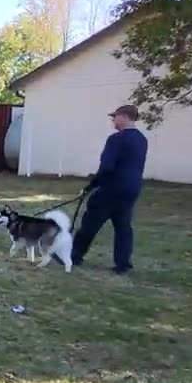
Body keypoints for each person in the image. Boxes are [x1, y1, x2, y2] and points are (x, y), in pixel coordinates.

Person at [70, 104, 149, 275]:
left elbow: (106, 167)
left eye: (115, 116)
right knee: (123, 227)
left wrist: (90, 186)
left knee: (90, 223)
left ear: (124, 117)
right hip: (131, 189)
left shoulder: (116, 139)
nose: (113, 120)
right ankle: (123, 263)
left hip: (111, 188)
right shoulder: (142, 140)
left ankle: (74, 255)